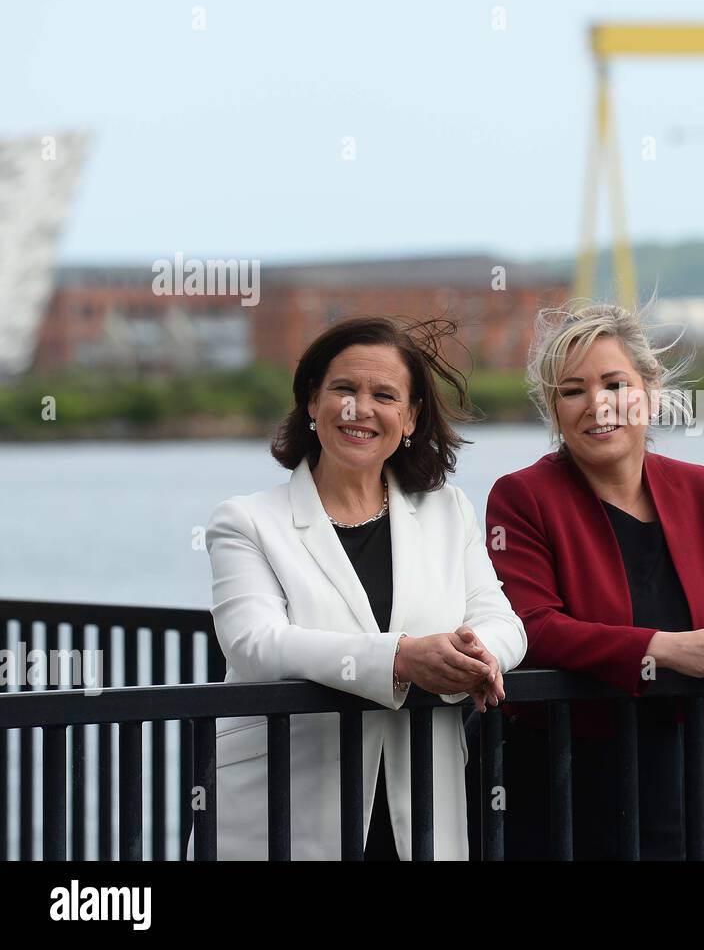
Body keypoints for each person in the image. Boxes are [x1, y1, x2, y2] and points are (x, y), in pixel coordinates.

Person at [187, 315, 525, 860]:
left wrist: (475, 659)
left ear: (410, 417)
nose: (359, 408)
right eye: (343, 389)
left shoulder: (448, 511)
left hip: (420, 813)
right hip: (285, 813)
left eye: (384, 395)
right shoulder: (246, 520)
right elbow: (255, 644)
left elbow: (503, 622)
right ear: (312, 404)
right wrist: (401, 658)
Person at [474, 300, 704, 859]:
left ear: (651, 389)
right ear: (554, 408)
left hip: (679, 762)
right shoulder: (522, 497)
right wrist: (663, 649)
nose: (597, 405)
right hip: (557, 771)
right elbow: (534, 628)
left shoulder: (701, 488)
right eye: (572, 391)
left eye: (615, 384)